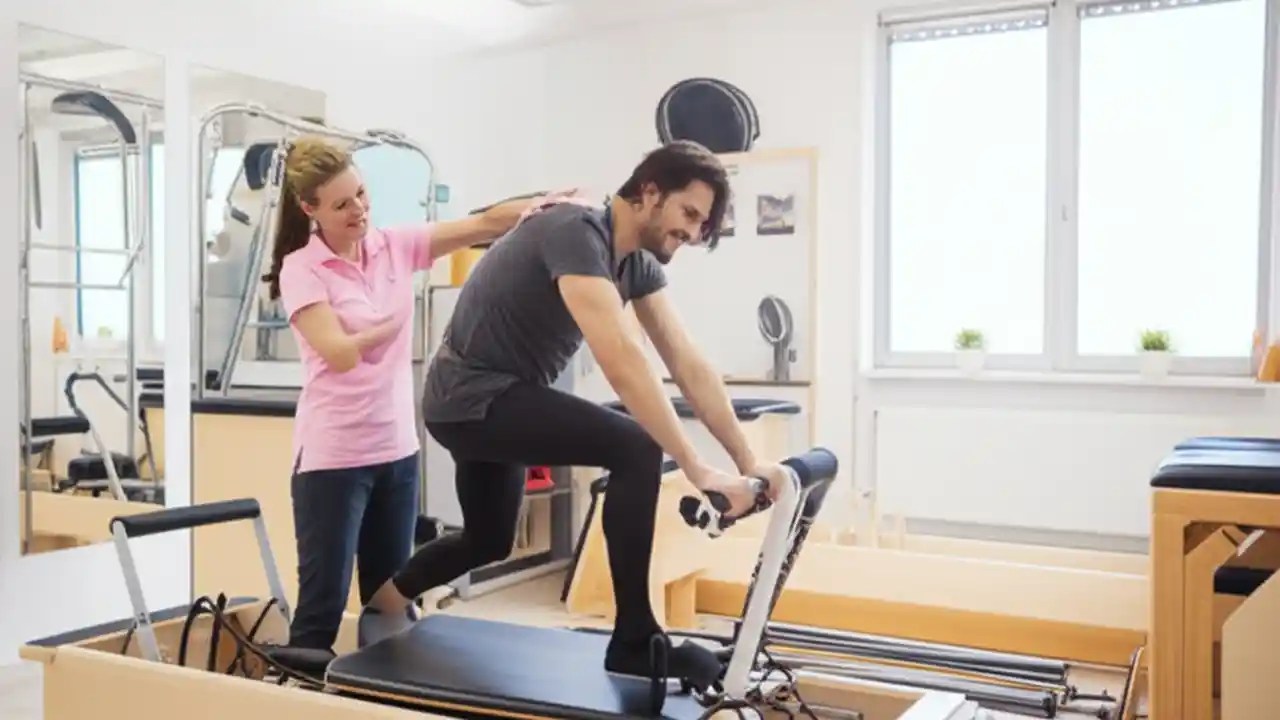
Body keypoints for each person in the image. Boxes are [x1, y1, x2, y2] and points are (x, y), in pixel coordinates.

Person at [359, 140, 786, 686]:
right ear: (650, 192)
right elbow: (622, 358)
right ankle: (635, 639)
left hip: (494, 397)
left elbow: (685, 360)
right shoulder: (576, 231)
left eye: (702, 224)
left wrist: (749, 461)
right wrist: (697, 467)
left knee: (489, 540)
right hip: (467, 396)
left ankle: (384, 602)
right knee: (635, 446)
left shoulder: (634, 264)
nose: (693, 232)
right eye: (689, 214)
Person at [262, 135, 578, 653]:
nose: (359, 209)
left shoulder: (393, 245)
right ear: (309, 209)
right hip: (332, 459)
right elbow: (337, 352)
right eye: (342, 204)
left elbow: (483, 224)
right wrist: (379, 334)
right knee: (321, 610)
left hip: (397, 454)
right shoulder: (302, 268)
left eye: (361, 194)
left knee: (389, 604)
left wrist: (553, 205)